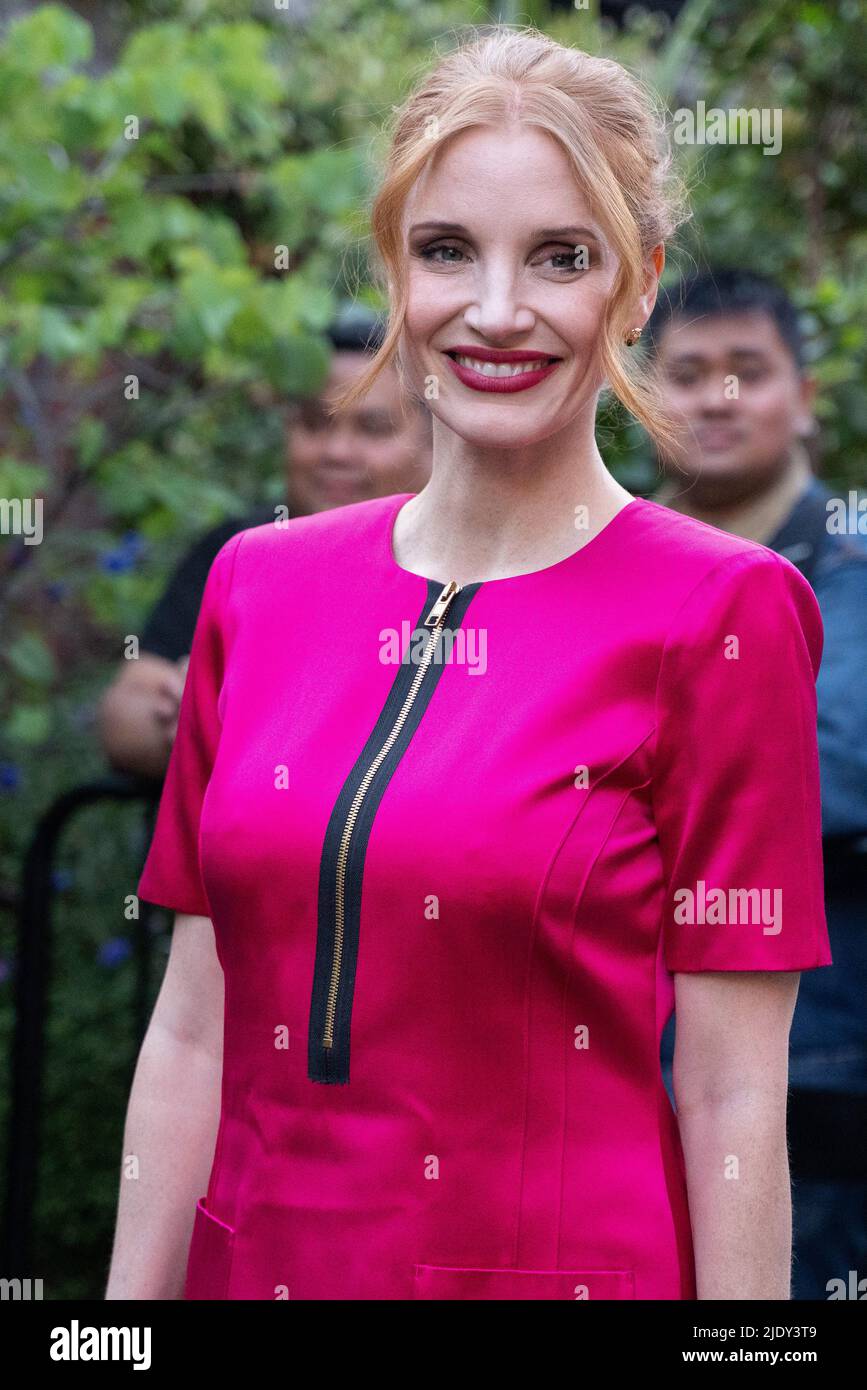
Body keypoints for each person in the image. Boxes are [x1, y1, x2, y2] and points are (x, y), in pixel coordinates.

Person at [106, 26, 832, 1302]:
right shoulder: (256, 586)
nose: (497, 312)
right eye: (448, 250)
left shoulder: (722, 608)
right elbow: (190, 1031)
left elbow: (730, 1094)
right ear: (395, 269)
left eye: (562, 257)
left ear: (640, 283)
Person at [648, 267, 867, 1301]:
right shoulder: (598, 557)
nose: (716, 399)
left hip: (815, 1062)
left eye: (748, 371)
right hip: (604, 1051)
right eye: (685, 374)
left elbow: (833, 769)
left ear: (804, 396)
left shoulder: (855, 565)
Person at [96, 307, 432, 782]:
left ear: (436, 445)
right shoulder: (238, 554)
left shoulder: (461, 573)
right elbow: (125, 722)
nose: (336, 452)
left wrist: (248, 715)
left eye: (373, 429)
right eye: (315, 424)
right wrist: (194, 716)